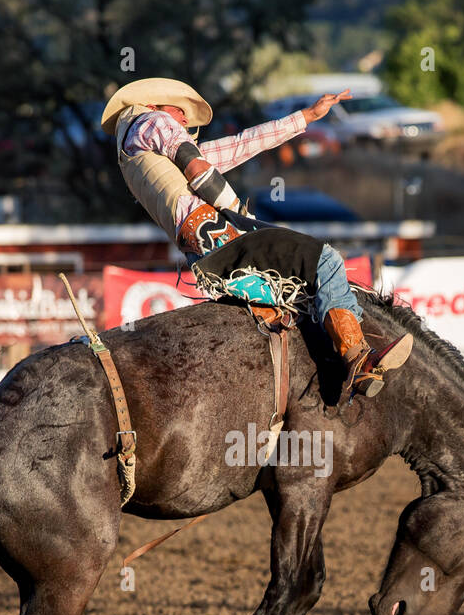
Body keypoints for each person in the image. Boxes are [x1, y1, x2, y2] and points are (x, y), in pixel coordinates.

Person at [100, 77, 411, 398]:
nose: (184, 120)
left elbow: (241, 143)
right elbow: (197, 168)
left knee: (293, 301)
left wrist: (305, 117)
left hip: (200, 252)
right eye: (179, 111)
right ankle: (357, 359)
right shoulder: (154, 121)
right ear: (153, 105)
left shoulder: (141, 156)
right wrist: (237, 214)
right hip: (218, 232)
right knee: (327, 262)